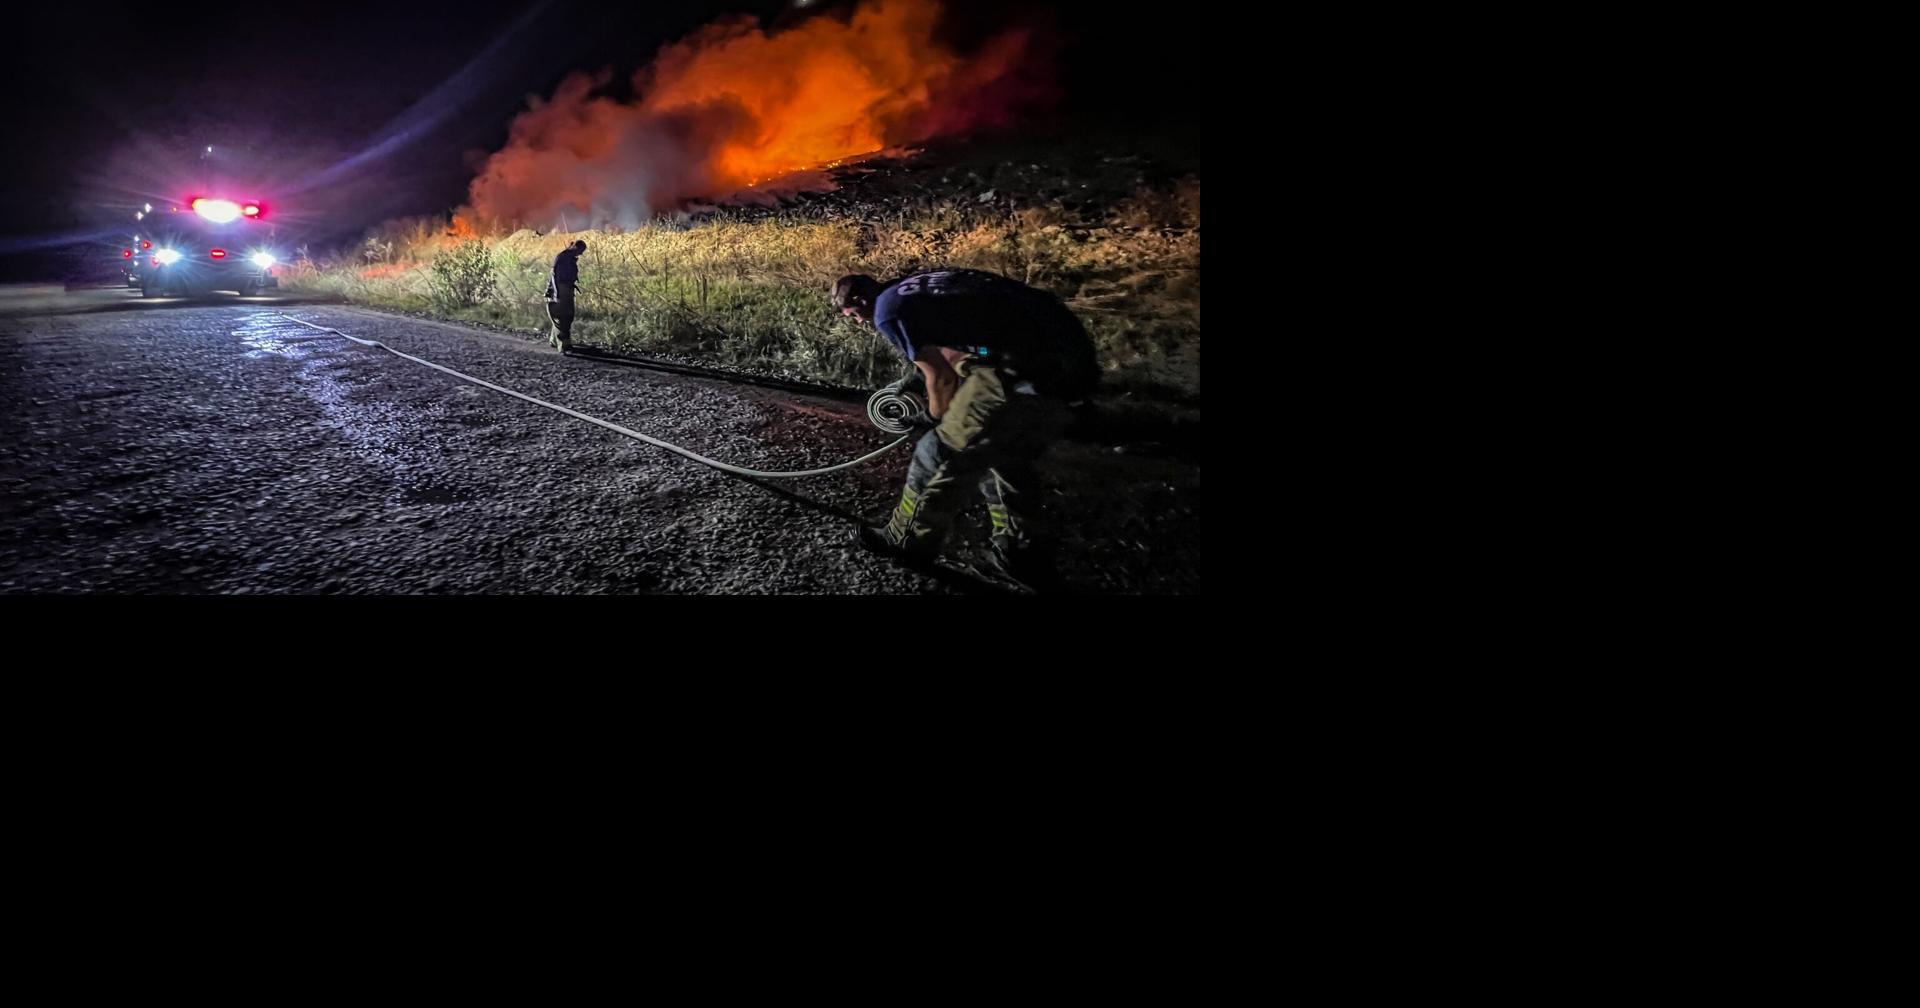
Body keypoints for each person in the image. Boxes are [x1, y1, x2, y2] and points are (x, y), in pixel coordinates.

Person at [831, 267, 1099, 589]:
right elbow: (961, 347)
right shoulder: (916, 287)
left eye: (853, 314)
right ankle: (1019, 552)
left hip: (1022, 363)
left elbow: (941, 379)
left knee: (940, 450)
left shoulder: (888, 312)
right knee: (1000, 449)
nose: (858, 321)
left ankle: (905, 540)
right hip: (1072, 358)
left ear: (861, 299)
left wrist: (933, 419)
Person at [546, 240, 587, 352]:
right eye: (580, 251)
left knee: (567, 316)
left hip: (568, 289)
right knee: (561, 317)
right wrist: (556, 293)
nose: (581, 254)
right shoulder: (562, 257)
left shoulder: (570, 258)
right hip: (560, 289)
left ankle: (554, 341)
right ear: (575, 247)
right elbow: (553, 275)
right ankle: (564, 345)